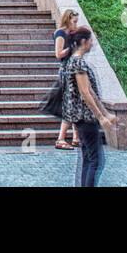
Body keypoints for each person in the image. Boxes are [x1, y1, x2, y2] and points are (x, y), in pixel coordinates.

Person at [61, 27, 118, 186]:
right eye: (91, 40)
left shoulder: (74, 61)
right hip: (85, 118)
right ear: (84, 42)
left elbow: (91, 92)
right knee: (95, 161)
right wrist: (101, 117)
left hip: (82, 118)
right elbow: (85, 92)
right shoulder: (78, 63)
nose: (93, 44)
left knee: (88, 159)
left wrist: (106, 114)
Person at [53, 9, 80, 149]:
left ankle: (76, 137)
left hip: (74, 71)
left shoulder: (71, 34)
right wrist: (71, 48)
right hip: (66, 72)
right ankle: (61, 138)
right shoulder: (60, 34)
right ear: (67, 20)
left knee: (75, 103)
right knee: (70, 104)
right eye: (74, 21)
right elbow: (58, 54)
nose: (75, 24)